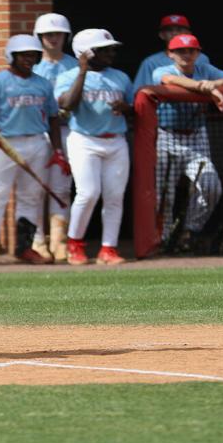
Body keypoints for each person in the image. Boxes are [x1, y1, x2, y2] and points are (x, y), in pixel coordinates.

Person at [0, 35, 64, 265]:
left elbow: (54, 118)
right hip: (5, 143)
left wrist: (57, 150)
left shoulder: (43, 84)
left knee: (31, 196)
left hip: (37, 142)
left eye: (33, 55)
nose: (29, 59)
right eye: (24, 55)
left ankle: (24, 248)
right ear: (12, 56)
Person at [151, 34, 223, 253]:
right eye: (181, 51)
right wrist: (206, 88)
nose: (186, 54)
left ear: (198, 53)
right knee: (164, 194)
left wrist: (216, 83)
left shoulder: (205, 68)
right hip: (167, 135)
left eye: (191, 50)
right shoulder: (162, 70)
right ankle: (161, 239)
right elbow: (171, 81)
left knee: (211, 186)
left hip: (196, 135)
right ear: (170, 54)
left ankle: (189, 230)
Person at [54, 28, 136, 266]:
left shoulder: (120, 76)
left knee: (114, 196)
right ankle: (75, 244)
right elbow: (67, 105)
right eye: (103, 49)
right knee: (88, 193)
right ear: (86, 52)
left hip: (116, 140)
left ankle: (108, 248)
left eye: (111, 48)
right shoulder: (69, 76)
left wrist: (125, 107)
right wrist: (82, 70)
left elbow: (134, 107)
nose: (111, 53)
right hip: (84, 139)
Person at [32, 13, 79, 263]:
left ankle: (59, 241)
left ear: (65, 36)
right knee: (37, 187)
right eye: (48, 34)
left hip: (66, 130)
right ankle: (38, 240)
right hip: (37, 132)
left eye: (57, 34)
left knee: (61, 187)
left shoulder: (74, 65)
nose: (53, 38)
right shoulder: (32, 66)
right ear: (39, 37)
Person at [134, 14, 213, 89]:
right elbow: (141, 92)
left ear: (189, 34)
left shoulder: (202, 58)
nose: (174, 33)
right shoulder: (151, 62)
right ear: (161, 35)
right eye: (169, 30)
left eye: (179, 29)